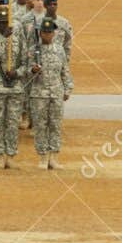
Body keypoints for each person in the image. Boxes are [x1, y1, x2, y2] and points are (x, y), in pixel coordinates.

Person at [0, 4, 30, 169]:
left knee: (11, 123)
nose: (3, 26)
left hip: (15, 88)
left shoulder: (18, 39)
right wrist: (4, 39)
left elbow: (26, 63)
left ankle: (10, 155)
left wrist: (17, 73)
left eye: (6, 23)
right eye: (1, 23)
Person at [30, 18, 73, 170]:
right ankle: (42, 157)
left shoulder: (59, 49)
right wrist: (32, 70)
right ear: (40, 33)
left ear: (54, 33)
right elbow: (26, 72)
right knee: (40, 126)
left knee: (55, 125)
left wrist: (68, 88)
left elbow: (65, 70)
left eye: (50, 32)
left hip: (56, 92)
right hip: (39, 93)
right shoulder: (33, 50)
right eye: (44, 32)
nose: (47, 35)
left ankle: (53, 157)